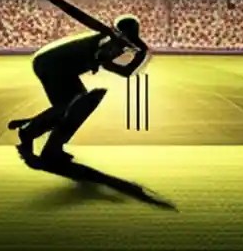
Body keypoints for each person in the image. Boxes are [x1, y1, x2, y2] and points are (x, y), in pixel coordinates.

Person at [9, 13, 148, 167]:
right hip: (52, 65)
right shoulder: (109, 40)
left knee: (76, 107)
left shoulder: (114, 42)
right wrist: (135, 51)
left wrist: (140, 54)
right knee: (73, 106)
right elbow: (103, 55)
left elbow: (124, 71)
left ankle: (49, 143)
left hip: (61, 68)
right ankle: (29, 130)